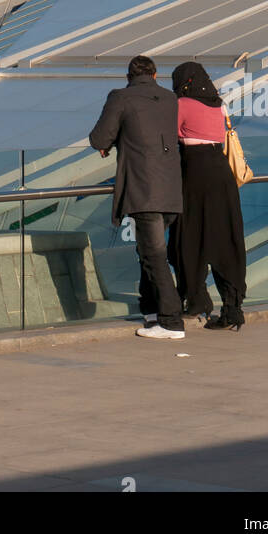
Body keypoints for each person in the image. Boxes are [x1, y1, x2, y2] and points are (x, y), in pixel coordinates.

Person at [89, 54, 185, 340]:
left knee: (154, 254)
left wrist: (113, 141)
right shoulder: (170, 99)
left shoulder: (120, 97)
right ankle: (152, 311)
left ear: (128, 77)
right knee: (147, 250)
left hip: (143, 187)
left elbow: (99, 138)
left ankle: (171, 322)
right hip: (170, 186)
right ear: (155, 76)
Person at [168, 61, 247, 331]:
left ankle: (197, 299)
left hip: (195, 173)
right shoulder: (218, 104)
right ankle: (232, 309)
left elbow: (168, 136)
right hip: (221, 174)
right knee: (226, 239)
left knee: (189, 236)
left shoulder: (182, 104)